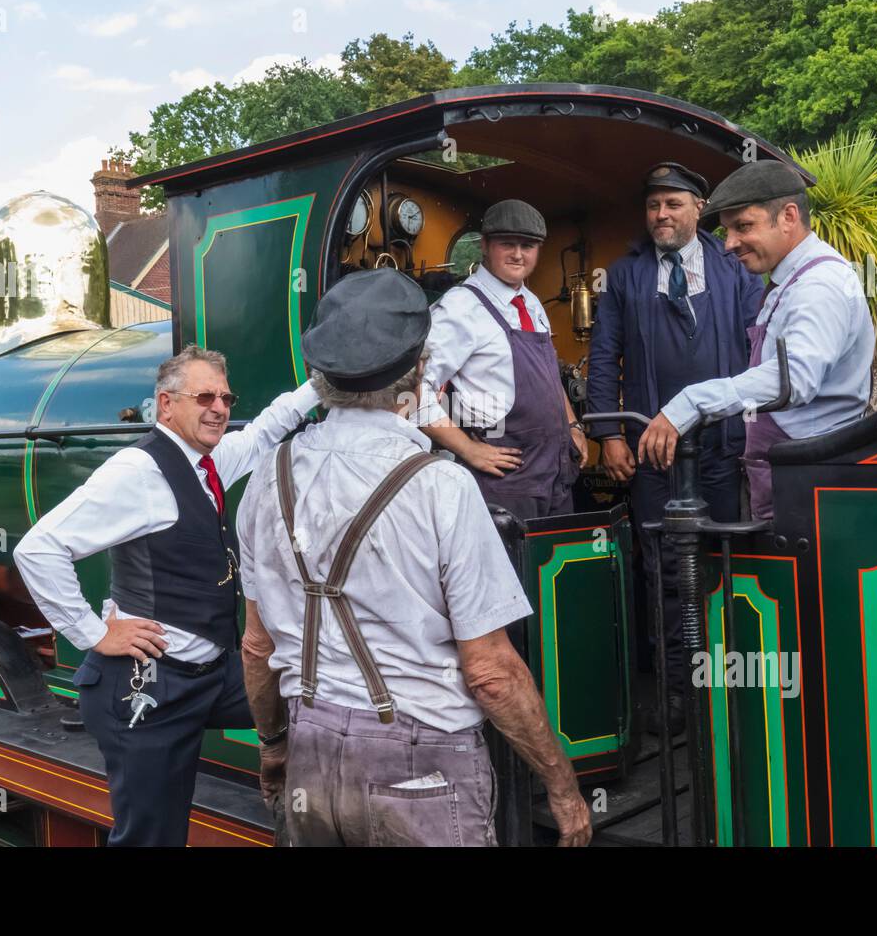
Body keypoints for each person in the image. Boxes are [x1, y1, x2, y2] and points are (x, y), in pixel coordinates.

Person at [237, 268, 591, 847]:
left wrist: (273, 745)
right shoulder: (440, 487)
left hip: (310, 751)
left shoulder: (266, 479)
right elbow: (492, 673)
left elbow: (257, 645)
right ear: (417, 374)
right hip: (422, 765)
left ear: (322, 377)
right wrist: (562, 785)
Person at [13, 345, 318, 846]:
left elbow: (265, 429)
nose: (219, 407)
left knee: (312, 695)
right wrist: (92, 633)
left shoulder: (209, 460)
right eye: (204, 396)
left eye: (224, 396)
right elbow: (39, 549)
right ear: (166, 405)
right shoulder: (138, 471)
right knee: (153, 838)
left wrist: (322, 385)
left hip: (214, 675)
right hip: (150, 688)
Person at [586, 163, 764, 732]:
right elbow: (602, 357)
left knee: (723, 563)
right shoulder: (623, 274)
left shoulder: (735, 267)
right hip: (650, 452)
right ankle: (674, 693)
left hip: (722, 446)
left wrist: (755, 431)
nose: (662, 215)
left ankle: (727, 696)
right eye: (653, 205)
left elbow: (760, 350)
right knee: (663, 571)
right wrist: (609, 434)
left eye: (673, 204)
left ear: (698, 207)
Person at [639, 160, 874, 520]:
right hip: (788, 473)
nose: (730, 244)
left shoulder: (818, 285)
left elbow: (793, 379)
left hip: (809, 480)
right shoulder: (789, 282)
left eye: (743, 227)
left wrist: (691, 402)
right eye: (727, 231)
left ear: (789, 216)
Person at [416, 199, 586, 521]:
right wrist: (468, 449)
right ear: (485, 245)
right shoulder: (460, 308)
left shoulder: (531, 302)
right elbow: (412, 392)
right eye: (507, 244)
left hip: (555, 477)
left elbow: (548, 373)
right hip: (504, 487)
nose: (518, 254)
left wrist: (572, 424)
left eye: (528, 245)